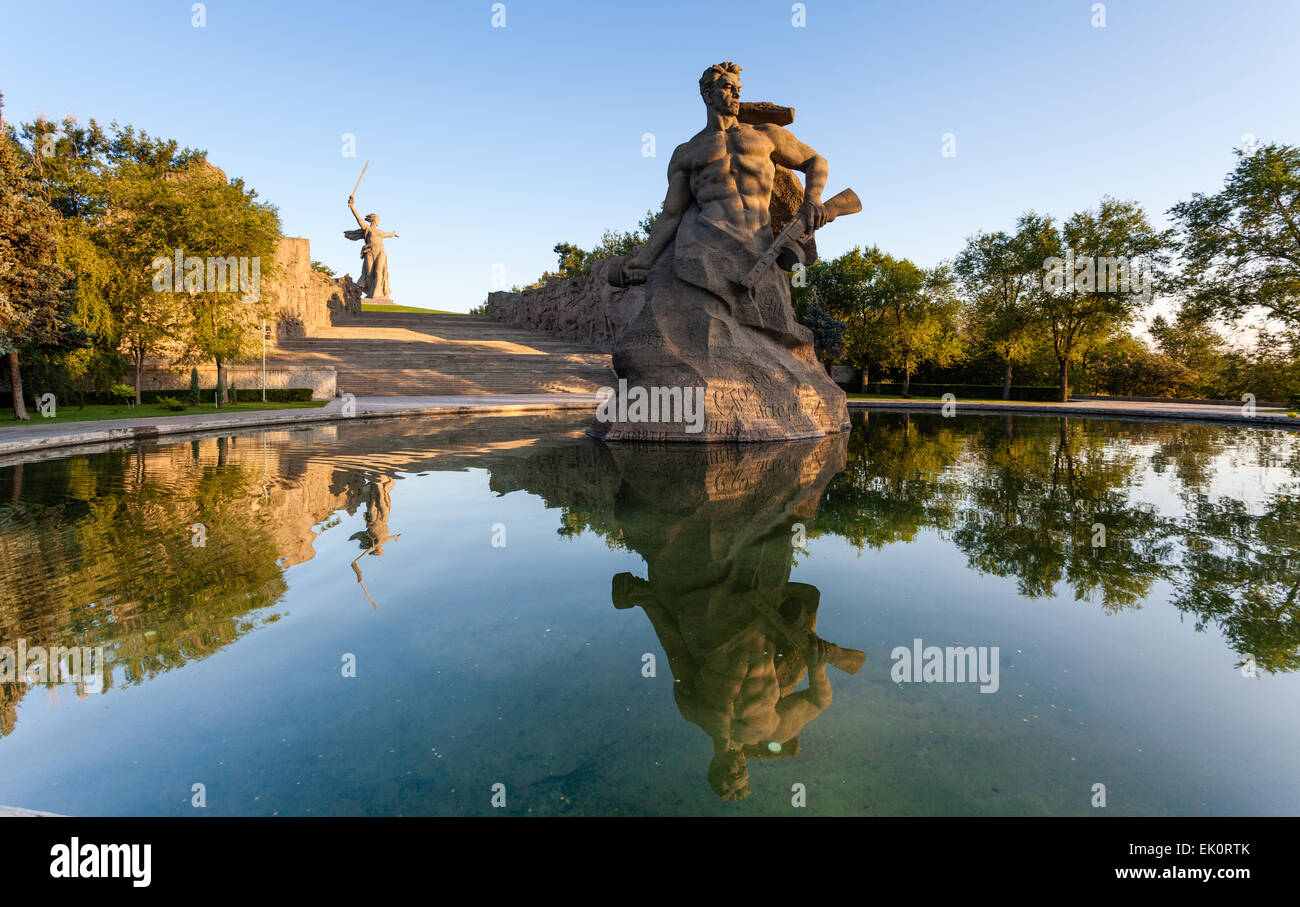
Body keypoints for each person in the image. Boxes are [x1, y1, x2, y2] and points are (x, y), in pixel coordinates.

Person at [344, 195, 399, 298]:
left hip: (380, 252)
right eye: (378, 219)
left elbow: (389, 234)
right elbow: (358, 218)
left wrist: (393, 234)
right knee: (369, 274)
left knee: (378, 272)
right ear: (373, 220)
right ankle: (370, 293)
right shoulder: (367, 229)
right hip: (369, 252)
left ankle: (375, 294)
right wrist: (352, 206)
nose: (379, 221)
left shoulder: (380, 232)